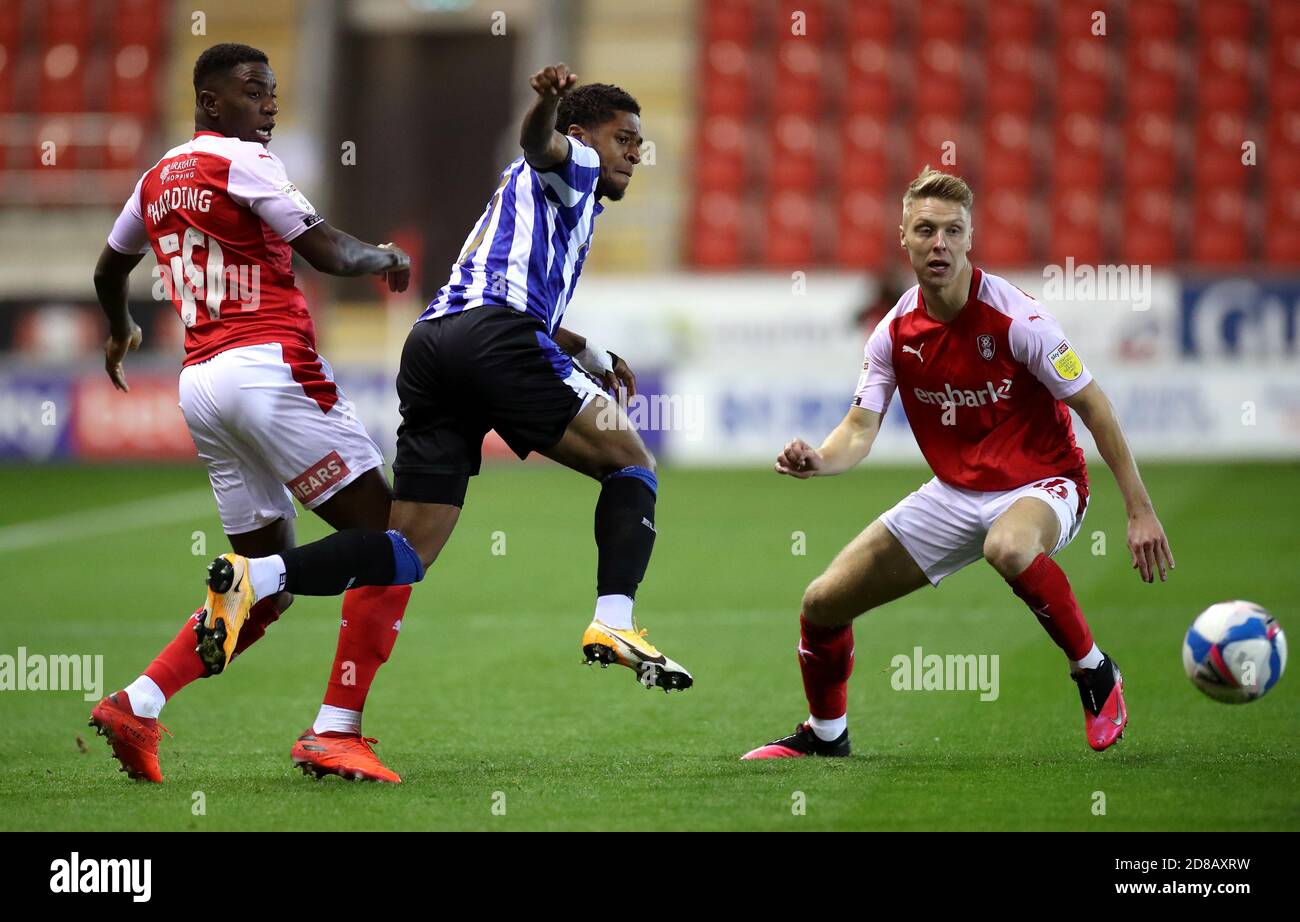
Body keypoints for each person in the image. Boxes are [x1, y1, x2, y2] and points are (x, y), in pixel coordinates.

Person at [196, 64, 693, 702]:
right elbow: (540, 142)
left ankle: (257, 577)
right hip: (497, 339)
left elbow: (504, 292)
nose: (634, 154)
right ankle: (615, 620)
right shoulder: (575, 164)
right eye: (624, 138)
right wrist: (546, 105)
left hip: (434, 344)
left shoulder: (524, 197)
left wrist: (589, 351)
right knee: (631, 462)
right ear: (582, 136)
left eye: (639, 143)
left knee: (407, 550)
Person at [742, 166, 1175, 759]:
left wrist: (1140, 511)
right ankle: (826, 735)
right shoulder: (893, 332)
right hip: (954, 493)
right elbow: (860, 428)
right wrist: (819, 458)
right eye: (925, 230)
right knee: (822, 603)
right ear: (904, 238)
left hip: (1044, 481)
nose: (939, 243)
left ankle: (1095, 671)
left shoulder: (1019, 320)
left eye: (952, 230)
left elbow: (1094, 407)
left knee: (1008, 547)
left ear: (971, 238)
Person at [89, 43, 413, 783]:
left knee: (266, 592)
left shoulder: (155, 178)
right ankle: (336, 731)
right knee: (391, 543)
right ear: (210, 101)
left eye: (272, 90)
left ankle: (138, 703)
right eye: (252, 91)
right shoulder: (245, 162)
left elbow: (109, 267)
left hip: (202, 384)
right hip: (268, 369)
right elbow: (328, 252)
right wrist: (385, 255)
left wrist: (120, 327)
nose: (269, 103)